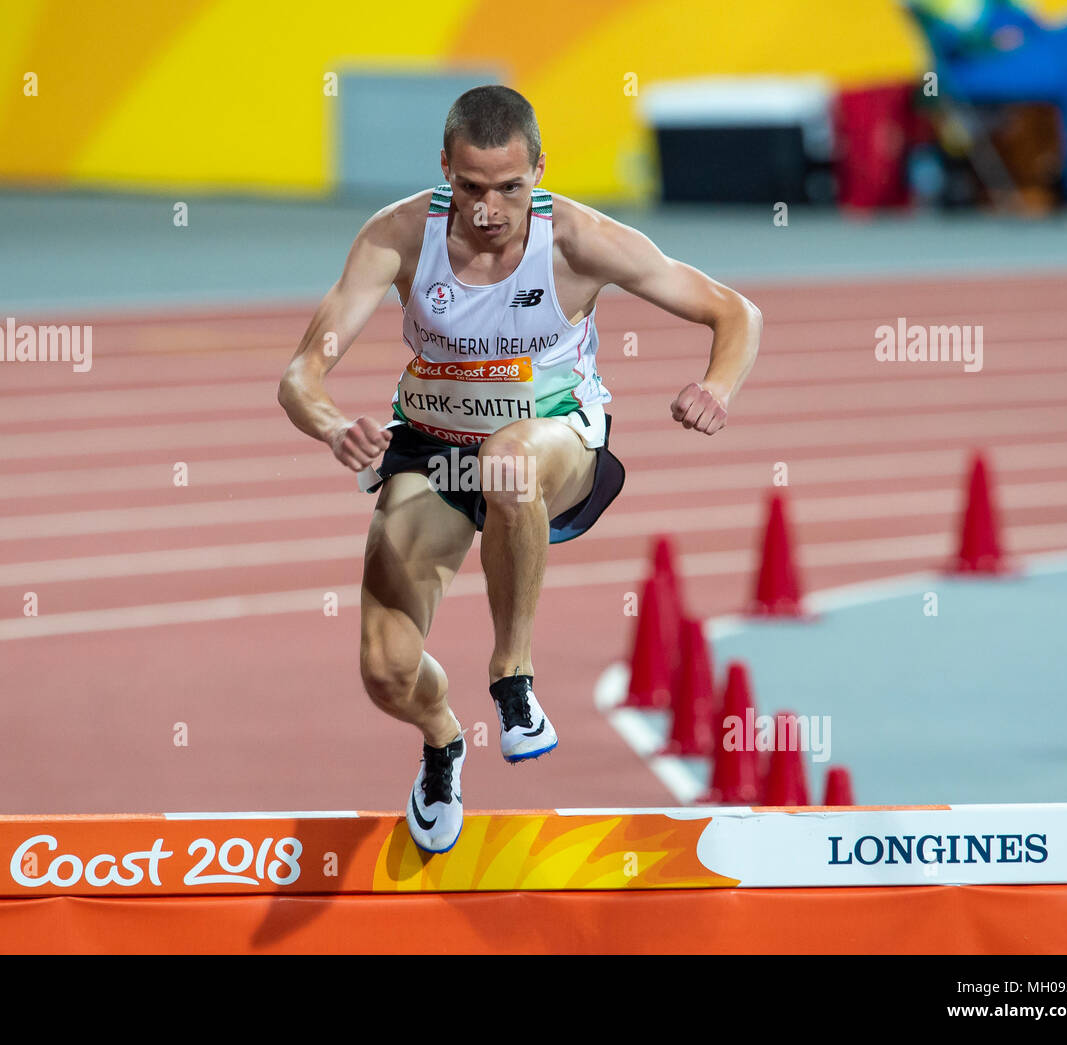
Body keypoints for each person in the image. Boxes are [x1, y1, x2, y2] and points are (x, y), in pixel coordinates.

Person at [278, 85, 761, 853]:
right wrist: (334, 425)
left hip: (554, 440)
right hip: (431, 445)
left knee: (507, 463)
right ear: (444, 169)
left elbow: (735, 313)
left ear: (539, 168)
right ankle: (443, 742)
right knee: (385, 669)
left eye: (510, 187)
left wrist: (718, 385)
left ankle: (513, 682)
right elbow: (302, 374)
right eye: (469, 187)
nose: (489, 208)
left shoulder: (581, 239)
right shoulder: (398, 235)